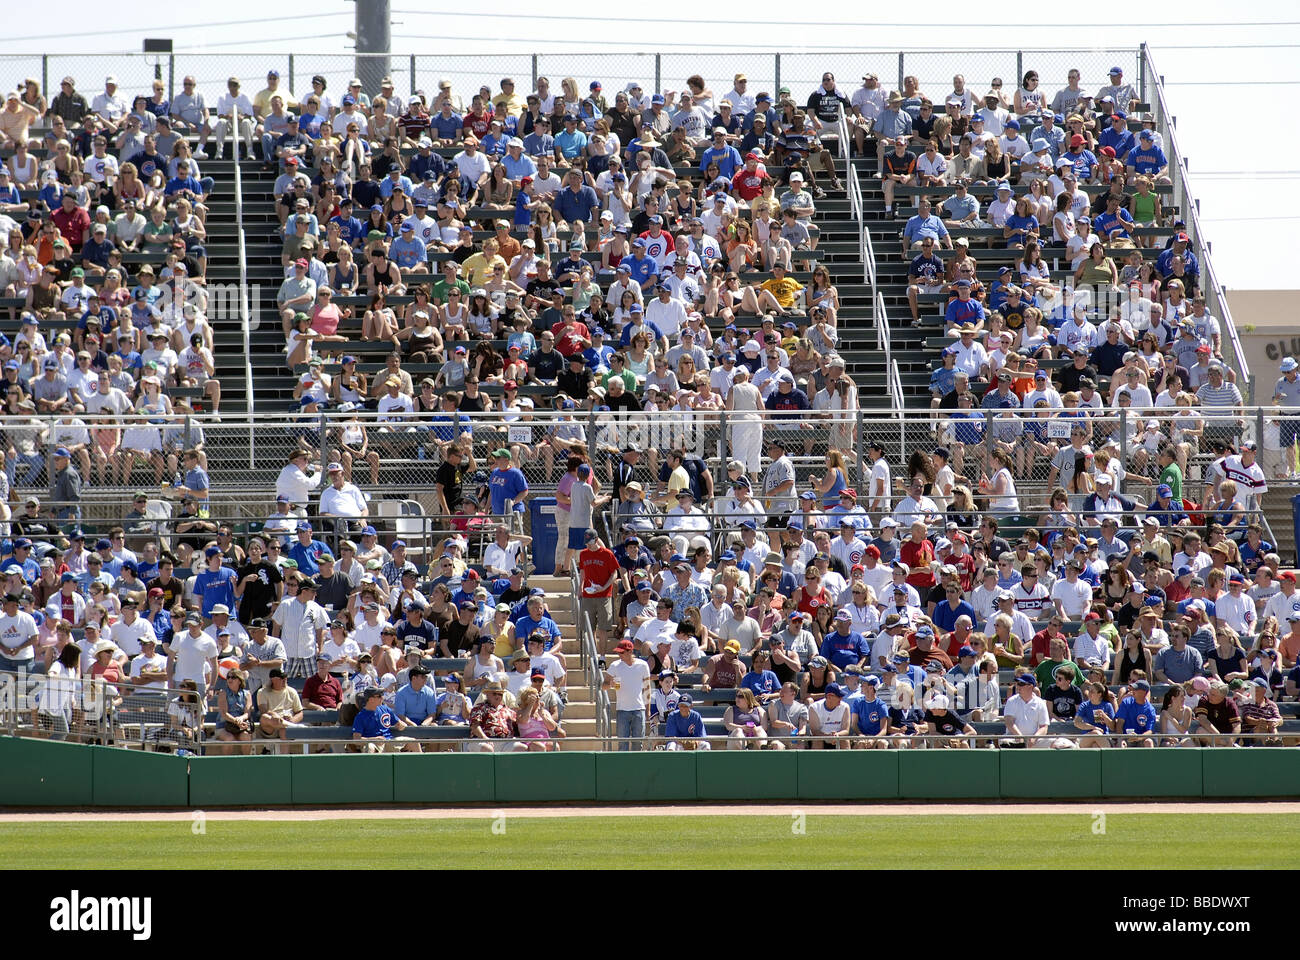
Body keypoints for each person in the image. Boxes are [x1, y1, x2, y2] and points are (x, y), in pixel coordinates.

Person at [603, 638, 651, 750]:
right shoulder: (615, 665)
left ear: (630, 652)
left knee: (638, 744)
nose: (619, 655)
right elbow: (603, 685)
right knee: (622, 744)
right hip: (622, 710)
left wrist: (647, 709)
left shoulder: (643, 665)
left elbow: (647, 688)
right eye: (618, 652)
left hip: (639, 709)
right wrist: (610, 684)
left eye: (622, 652)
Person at [352, 687, 421, 752]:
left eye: (382, 695)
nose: (382, 698)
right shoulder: (360, 717)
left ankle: (423, 764)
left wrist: (401, 725)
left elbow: (399, 724)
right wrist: (373, 739)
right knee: (369, 747)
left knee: (413, 742)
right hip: (375, 744)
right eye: (379, 696)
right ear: (371, 699)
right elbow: (356, 739)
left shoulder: (385, 709)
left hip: (389, 741)